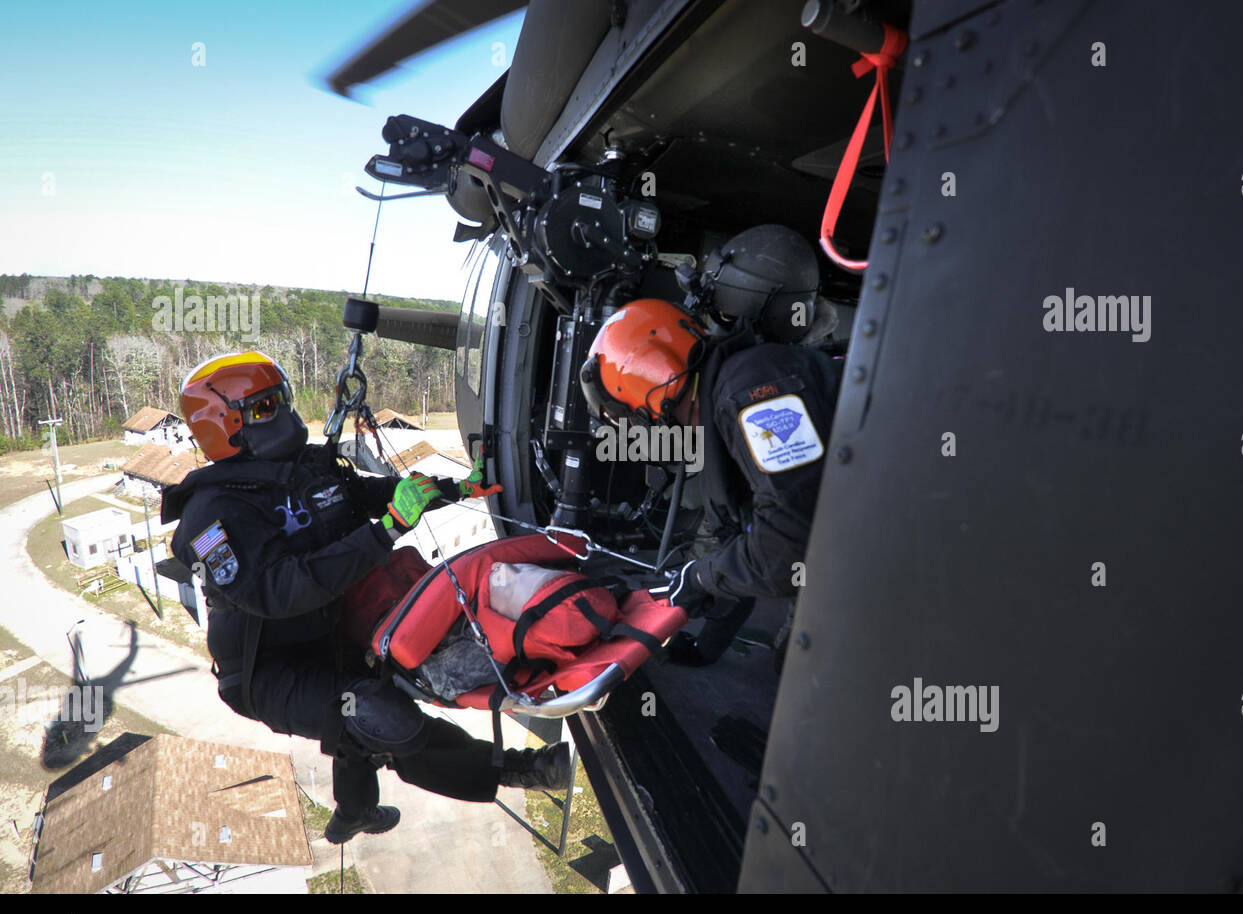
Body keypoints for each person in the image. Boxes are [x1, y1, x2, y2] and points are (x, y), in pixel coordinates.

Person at [161, 350, 569, 845]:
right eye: (265, 407)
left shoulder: (303, 468)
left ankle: (353, 811)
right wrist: (387, 531)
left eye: (283, 398)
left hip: (331, 630)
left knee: (360, 714)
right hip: (267, 669)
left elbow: (362, 496)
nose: (284, 413)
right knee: (378, 715)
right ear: (224, 427)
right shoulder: (210, 517)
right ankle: (515, 769)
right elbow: (279, 590)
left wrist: (454, 489)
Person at [580, 225, 841, 666]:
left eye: (640, 416)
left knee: (800, 665)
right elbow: (742, 539)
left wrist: (701, 577)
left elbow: (788, 542)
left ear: (655, 382)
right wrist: (706, 643)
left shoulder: (754, 389)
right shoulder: (734, 396)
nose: (651, 428)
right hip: (849, 548)